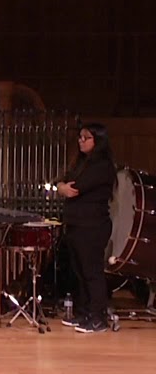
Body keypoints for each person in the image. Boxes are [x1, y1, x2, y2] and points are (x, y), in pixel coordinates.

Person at [57, 123, 115, 333]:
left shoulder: (102, 166)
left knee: (92, 272)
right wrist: (60, 186)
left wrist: (63, 187)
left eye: (86, 137)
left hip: (92, 226)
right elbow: (61, 182)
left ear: (97, 141)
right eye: (80, 137)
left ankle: (98, 317)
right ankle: (84, 313)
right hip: (76, 224)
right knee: (79, 271)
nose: (81, 141)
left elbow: (75, 187)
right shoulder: (81, 162)